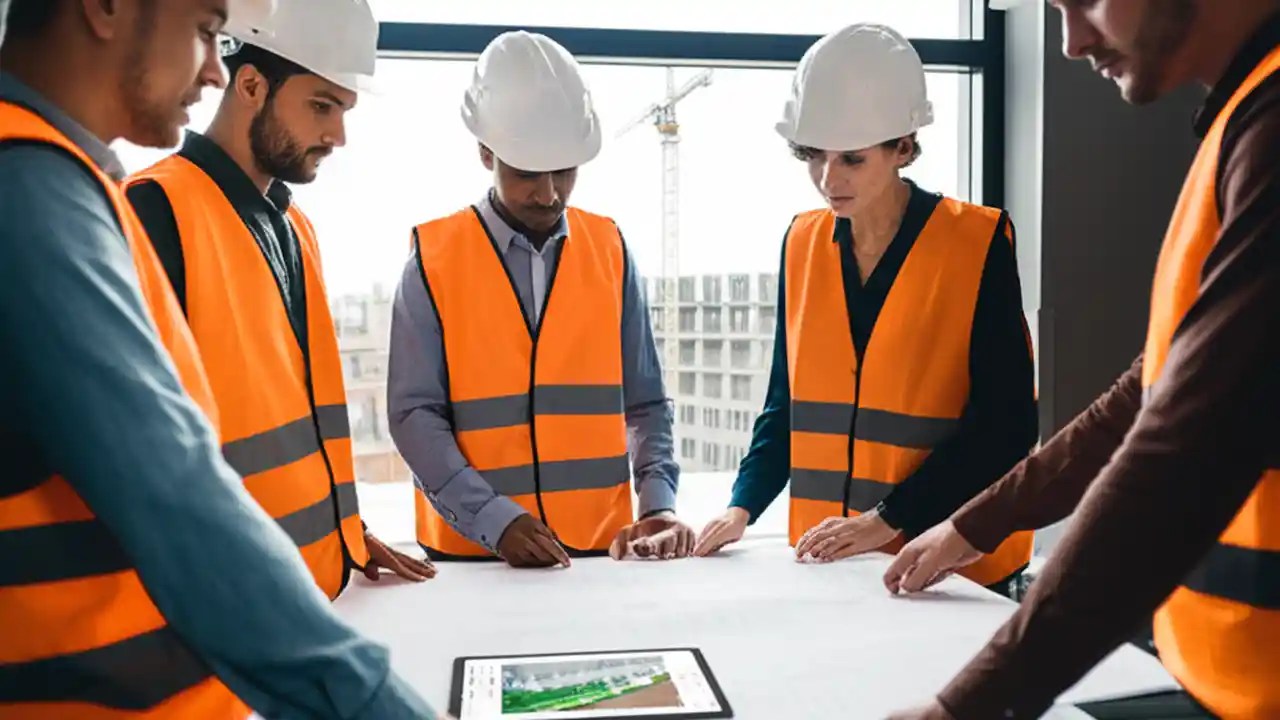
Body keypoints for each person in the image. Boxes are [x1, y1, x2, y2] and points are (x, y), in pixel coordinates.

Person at [0, 0, 439, 716]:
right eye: (206, 29)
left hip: (259, 644)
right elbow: (173, 489)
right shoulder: (34, 192)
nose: (214, 66)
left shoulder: (71, 185)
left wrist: (343, 532)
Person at [885, 1, 1280, 718]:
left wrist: (969, 706)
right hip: (1224, 680)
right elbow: (1146, 395)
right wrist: (972, 525)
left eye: (1085, 0)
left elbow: (1183, 448)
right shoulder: (1245, 116)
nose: (1069, 43)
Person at [690, 23, 1037, 596]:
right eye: (814, 157)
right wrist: (742, 507)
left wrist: (888, 519)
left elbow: (1007, 426)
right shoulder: (801, 242)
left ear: (903, 146)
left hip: (947, 566)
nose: (829, 179)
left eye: (851, 159)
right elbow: (787, 405)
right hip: (830, 560)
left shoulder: (976, 241)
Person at [125, 0, 434, 600]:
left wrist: (346, 532)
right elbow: (138, 452)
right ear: (250, 85)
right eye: (321, 106)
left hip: (314, 588)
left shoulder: (295, 229)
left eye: (343, 112)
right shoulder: (156, 211)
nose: (337, 136)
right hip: (230, 607)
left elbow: (290, 417)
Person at [388, 31, 694, 568]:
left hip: (602, 552)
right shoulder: (432, 261)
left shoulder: (611, 250)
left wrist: (658, 505)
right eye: (529, 173)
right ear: (486, 152)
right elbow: (415, 414)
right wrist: (492, 518)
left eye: (565, 171)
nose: (549, 193)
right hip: (475, 556)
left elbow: (645, 403)